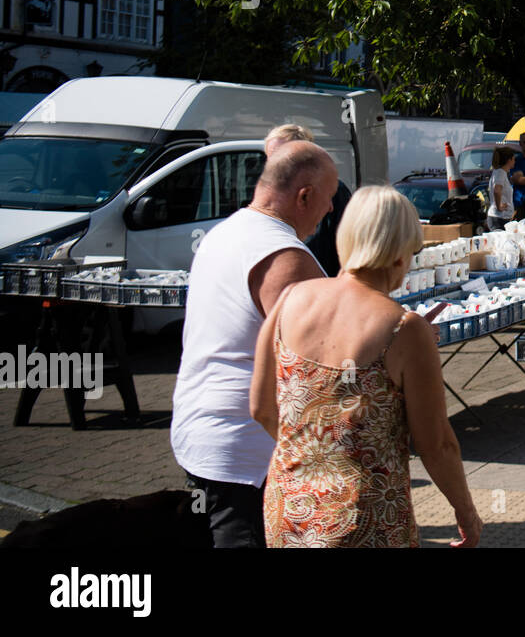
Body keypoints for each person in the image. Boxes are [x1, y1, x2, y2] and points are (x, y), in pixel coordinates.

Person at [252, 186, 482, 548]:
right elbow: (436, 445)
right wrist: (465, 511)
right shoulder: (404, 329)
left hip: (288, 510)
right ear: (398, 253)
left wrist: (314, 462)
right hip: (365, 520)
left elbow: (261, 409)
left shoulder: (290, 299)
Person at [170, 141, 336, 548]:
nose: (331, 210)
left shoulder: (225, 232)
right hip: (247, 452)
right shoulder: (283, 255)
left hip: (205, 432)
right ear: (305, 195)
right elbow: (324, 355)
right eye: (330, 198)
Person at [264, 124, 352, 278]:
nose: (272, 165)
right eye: (269, 157)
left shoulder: (333, 191)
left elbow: (350, 246)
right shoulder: (268, 196)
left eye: (279, 156)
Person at [487, 146, 515, 230]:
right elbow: (497, 190)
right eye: (513, 159)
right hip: (498, 219)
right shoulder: (500, 173)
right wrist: (498, 206)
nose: (515, 161)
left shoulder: (500, 173)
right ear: (509, 160)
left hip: (502, 218)